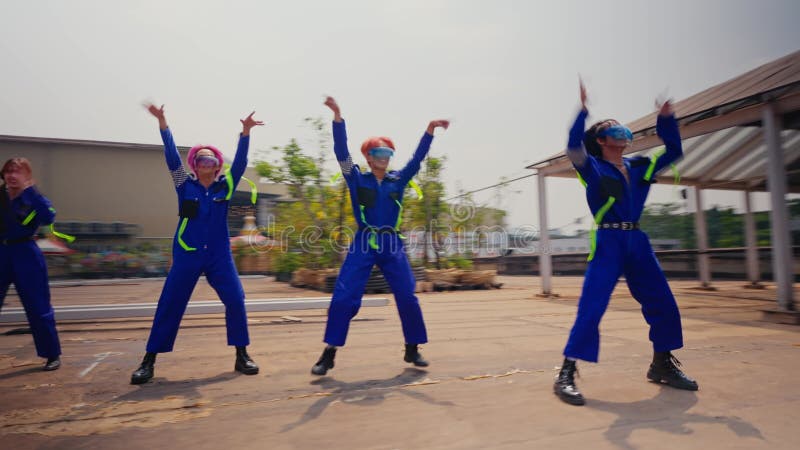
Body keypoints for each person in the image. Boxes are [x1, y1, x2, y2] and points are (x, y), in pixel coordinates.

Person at [554, 82, 698, 406]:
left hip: (637, 241)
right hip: (607, 240)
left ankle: (662, 363)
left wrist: (666, 120)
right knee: (592, 305)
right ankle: (566, 371)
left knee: (662, 301)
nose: (621, 130)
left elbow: (674, 151)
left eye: (620, 126)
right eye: (611, 128)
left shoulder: (640, 166)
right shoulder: (591, 167)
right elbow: (573, 146)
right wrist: (583, 111)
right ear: (601, 141)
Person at [310, 96, 449, 375]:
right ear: (369, 157)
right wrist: (338, 117)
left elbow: (418, 158)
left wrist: (430, 130)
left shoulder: (400, 178)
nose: (385, 158)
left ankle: (412, 348)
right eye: (380, 153)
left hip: (392, 243)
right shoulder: (355, 177)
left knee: (407, 296)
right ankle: (330, 352)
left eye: (388, 153)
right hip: (364, 241)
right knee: (343, 298)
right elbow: (340, 152)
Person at [130, 104, 264, 384]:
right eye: (201, 160)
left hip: (219, 257)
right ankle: (149, 360)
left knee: (236, 299)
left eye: (211, 160)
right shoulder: (184, 186)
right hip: (187, 255)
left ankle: (242, 355)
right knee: (170, 303)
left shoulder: (224, 186)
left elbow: (239, 165)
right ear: (195, 165)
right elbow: (170, 159)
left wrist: (245, 133)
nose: (207, 164)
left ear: (217, 166)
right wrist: (163, 123)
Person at [0, 157, 62, 371]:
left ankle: (51, 354)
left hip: (26, 252)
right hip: (1, 252)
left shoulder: (33, 199)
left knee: (38, 306)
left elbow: (48, 217)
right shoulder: (1, 197)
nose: (12, 175)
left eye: (17, 171)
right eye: (8, 171)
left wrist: (32, 192)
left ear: (27, 176)